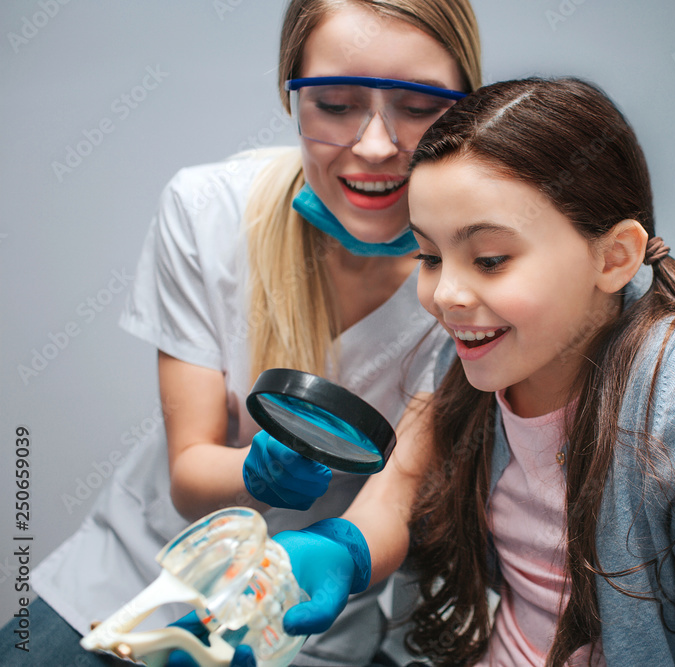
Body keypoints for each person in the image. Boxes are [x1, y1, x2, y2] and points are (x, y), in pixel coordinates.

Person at [248, 76, 675, 666]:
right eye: (428, 256)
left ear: (614, 258)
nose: (446, 294)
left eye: (489, 260)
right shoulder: (474, 355)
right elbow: (398, 487)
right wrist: (344, 552)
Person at [5, 1, 482, 665]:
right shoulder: (206, 211)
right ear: (291, 98)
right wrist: (255, 473)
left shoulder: (476, 286)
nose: (376, 145)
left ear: (467, 109)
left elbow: (395, 494)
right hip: (138, 583)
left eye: (420, 105)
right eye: (336, 104)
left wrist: (340, 552)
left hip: (297, 623)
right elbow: (189, 468)